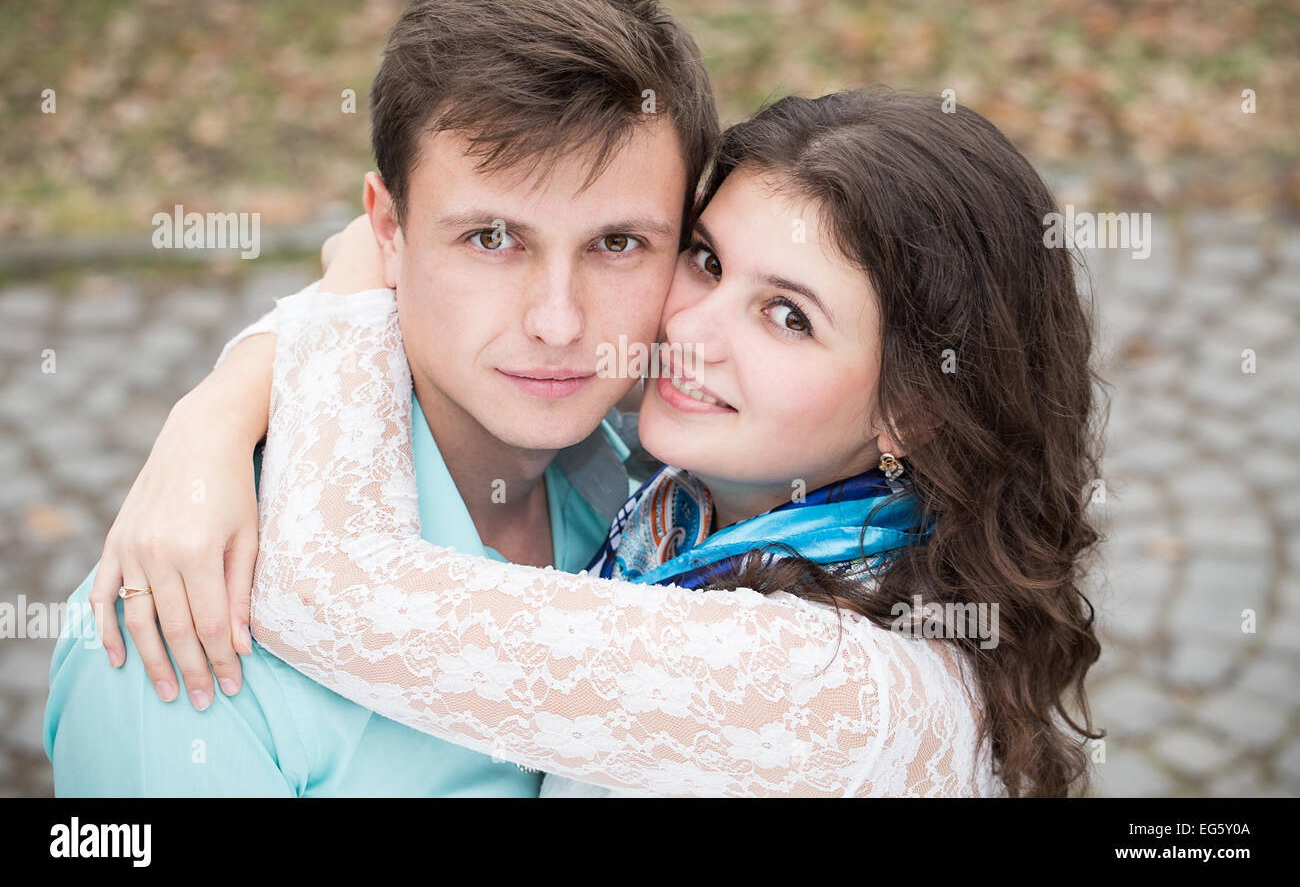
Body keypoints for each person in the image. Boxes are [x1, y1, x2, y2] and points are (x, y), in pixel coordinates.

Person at [82, 88, 1108, 796]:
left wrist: (356, 291)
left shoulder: (845, 683)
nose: (688, 331)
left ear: (915, 410)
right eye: (704, 259)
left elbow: (337, 590)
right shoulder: (705, 498)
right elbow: (506, 337)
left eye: (788, 316)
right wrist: (218, 407)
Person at [43, 0, 716, 796]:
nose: (559, 323)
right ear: (387, 233)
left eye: (617, 244)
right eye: (491, 239)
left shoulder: (676, 481)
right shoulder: (176, 635)